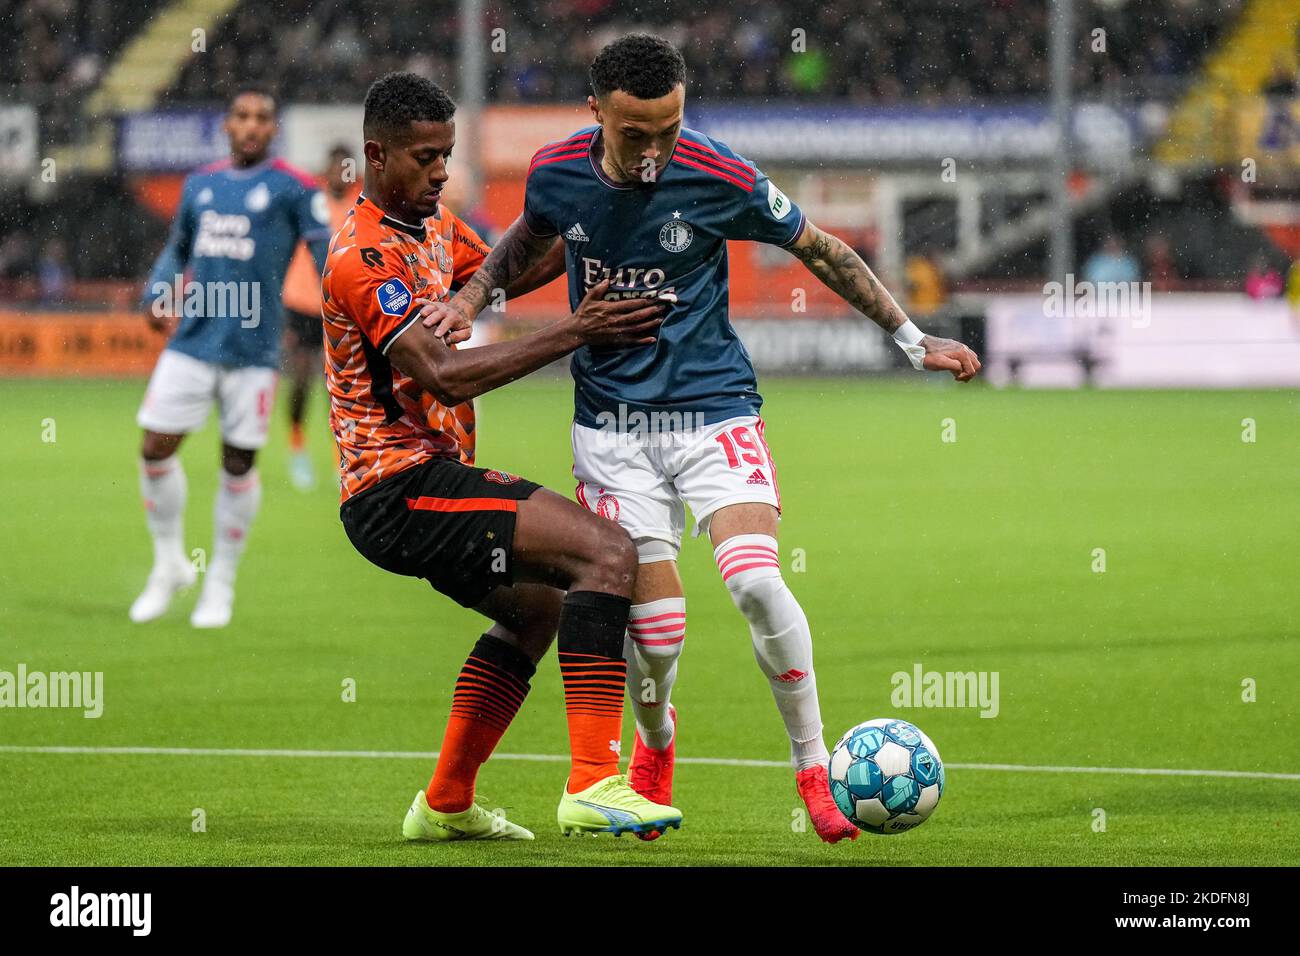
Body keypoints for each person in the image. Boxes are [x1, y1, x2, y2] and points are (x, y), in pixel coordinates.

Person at [419, 35, 981, 844]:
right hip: (612, 430)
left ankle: (813, 768)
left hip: (714, 412)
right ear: (596, 115)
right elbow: (527, 239)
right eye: (634, 135)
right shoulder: (556, 171)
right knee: (658, 635)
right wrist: (473, 297)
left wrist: (911, 338)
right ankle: (655, 744)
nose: (653, 153)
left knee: (754, 583)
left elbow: (821, 249)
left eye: (669, 131)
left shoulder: (720, 175)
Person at [328, 72, 680, 841]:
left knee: (536, 611)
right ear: (376, 155)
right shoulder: (362, 258)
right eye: (425, 158)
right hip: (396, 488)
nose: (441, 172)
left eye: (446, 155)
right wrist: (576, 332)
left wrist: (592, 201)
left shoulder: (434, 227)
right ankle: (594, 782)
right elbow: (445, 372)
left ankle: (445, 803)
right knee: (606, 553)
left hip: (424, 480)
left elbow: (518, 269)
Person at [131, 86, 332, 629]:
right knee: (154, 447)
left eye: (262, 118)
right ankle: (170, 563)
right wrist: (157, 293)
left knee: (237, 463)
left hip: (254, 351)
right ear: (227, 125)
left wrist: (345, 320)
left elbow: (325, 260)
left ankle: (219, 580)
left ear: (273, 130)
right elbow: (178, 248)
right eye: (241, 116)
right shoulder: (201, 185)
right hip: (193, 341)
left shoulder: (295, 189)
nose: (250, 126)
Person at [281, 144, 361, 491]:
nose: (340, 173)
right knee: (300, 379)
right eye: (335, 167)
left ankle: (338, 457)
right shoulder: (310, 202)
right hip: (302, 303)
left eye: (347, 168)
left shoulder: (362, 207)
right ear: (326, 169)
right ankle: (297, 448)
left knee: (338, 387)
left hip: (340, 307)